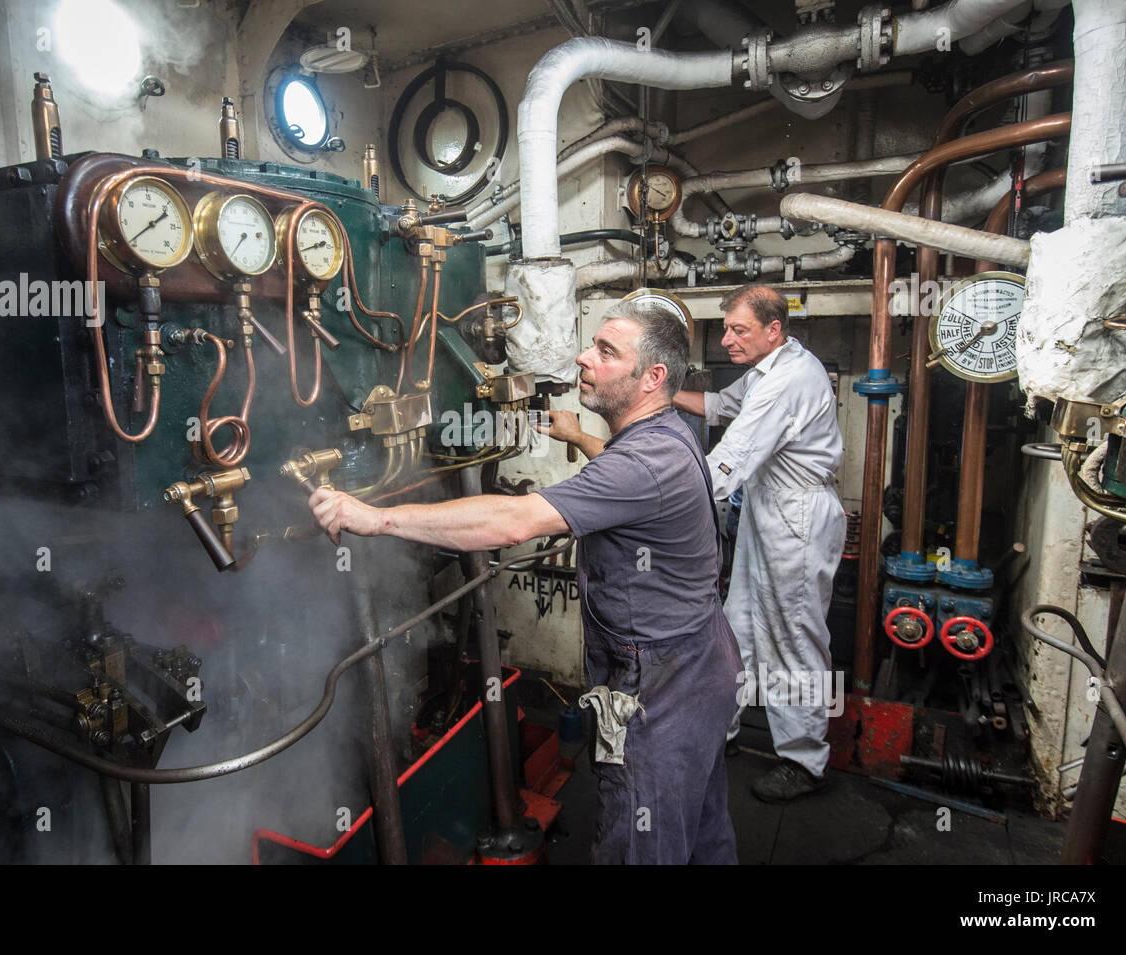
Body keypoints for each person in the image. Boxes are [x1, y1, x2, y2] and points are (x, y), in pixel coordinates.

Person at [308, 300, 741, 864]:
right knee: (700, 832)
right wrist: (579, 435)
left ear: (652, 378)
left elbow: (511, 522)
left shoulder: (645, 464)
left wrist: (377, 517)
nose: (584, 358)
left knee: (643, 837)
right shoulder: (667, 435)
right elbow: (622, 469)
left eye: (606, 352)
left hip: (658, 685)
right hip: (699, 662)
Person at [671, 284, 845, 803]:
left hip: (796, 518)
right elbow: (721, 404)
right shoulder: (772, 368)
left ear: (774, 329)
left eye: (738, 329)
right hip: (767, 511)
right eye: (725, 328)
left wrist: (651, 495)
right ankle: (720, 734)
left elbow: (730, 461)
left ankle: (804, 760)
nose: (726, 339)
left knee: (795, 638)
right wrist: (656, 392)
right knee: (738, 627)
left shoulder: (789, 380)